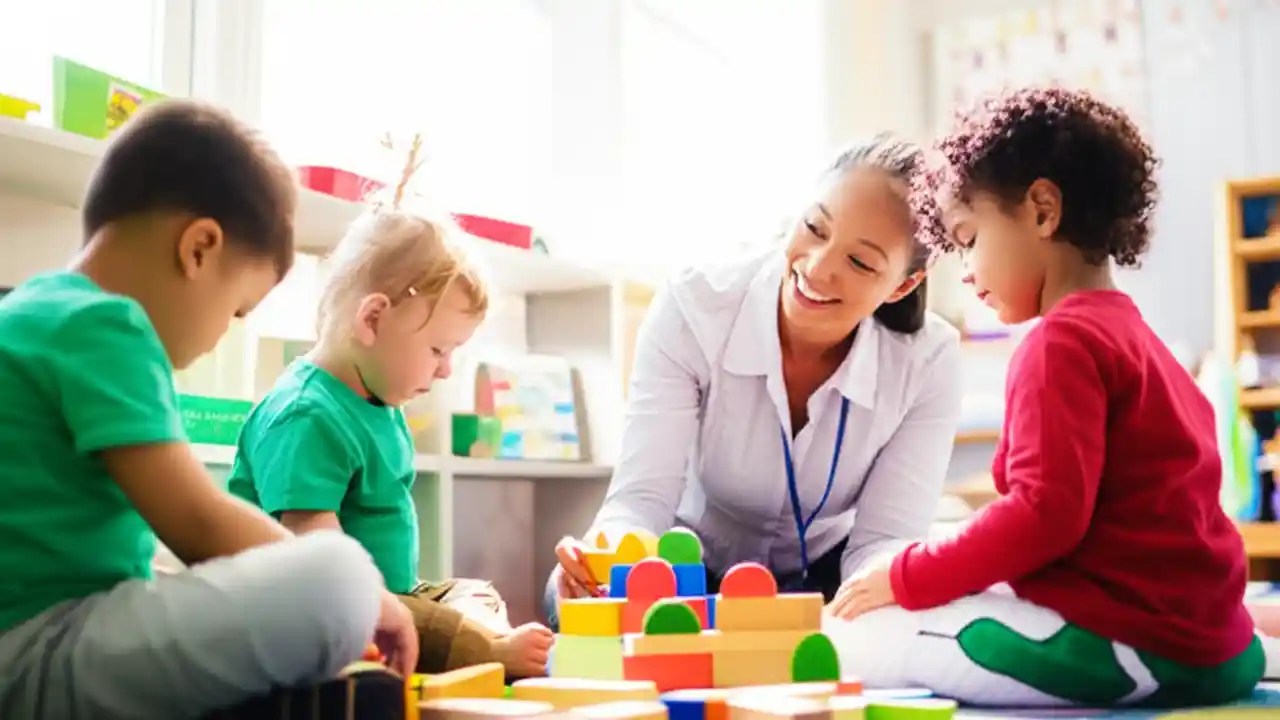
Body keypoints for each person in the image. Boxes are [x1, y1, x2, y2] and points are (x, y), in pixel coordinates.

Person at [822, 87, 1265, 709]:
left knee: (847, 635)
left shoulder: (1059, 342)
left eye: (969, 239)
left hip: (1128, 645)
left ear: (1041, 210)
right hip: (1214, 644)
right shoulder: (1134, 335)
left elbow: (1042, 515)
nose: (967, 271)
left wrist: (904, 574)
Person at [0, 99, 417, 720]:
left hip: (38, 633)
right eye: (238, 309)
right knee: (337, 575)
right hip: (39, 652)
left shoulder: (34, 311)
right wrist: (370, 597)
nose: (222, 334)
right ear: (199, 248)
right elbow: (196, 522)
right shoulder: (107, 326)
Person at [547, 134, 963, 623]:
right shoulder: (696, 305)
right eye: (814, 227)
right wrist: (606, 556)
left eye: (859, 262)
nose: (817, 267)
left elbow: (884, 543)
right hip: (686, 567)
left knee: (898, 625)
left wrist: (868, 609)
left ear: (903, 285)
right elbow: (641, 500)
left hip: (830, 579)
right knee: (569, 603)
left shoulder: (928, 359)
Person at [227, 209, 554, 678]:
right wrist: (386, 607)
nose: (445, 370)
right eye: (438, 350)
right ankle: (490, 655)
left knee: (471, 594)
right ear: (373, 318)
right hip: (324, 602)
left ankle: (480, 645)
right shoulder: (306, 413)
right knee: (429, 623)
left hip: (398, 593)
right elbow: (317, 554)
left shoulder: (378, 402)